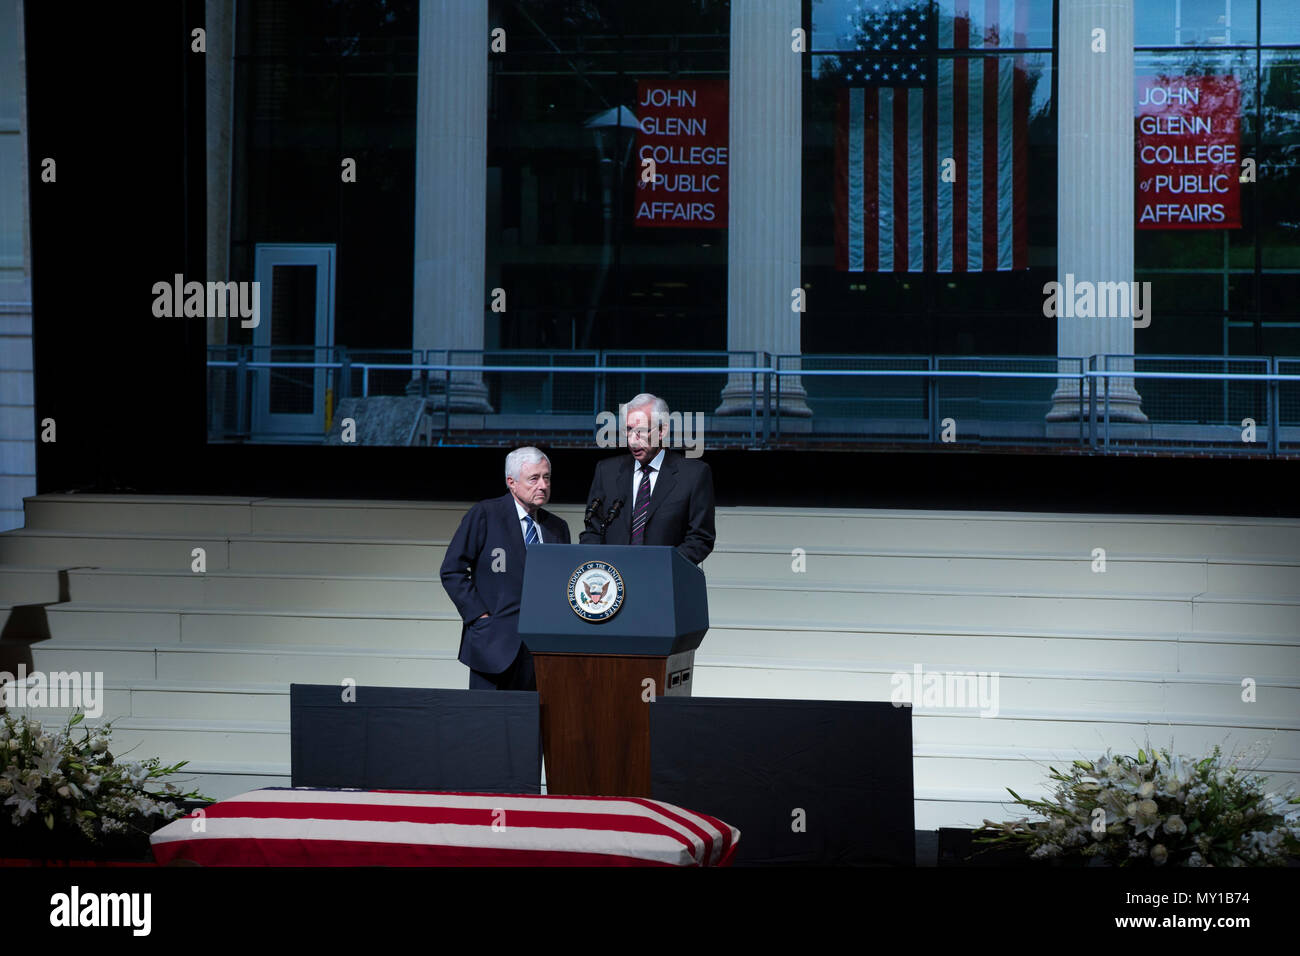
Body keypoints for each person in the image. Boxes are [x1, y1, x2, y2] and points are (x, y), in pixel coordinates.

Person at [440, 446, 571, 690]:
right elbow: (452, 571)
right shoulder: (485, 514)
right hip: (493, 647)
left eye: (547, 477)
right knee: (488, 724)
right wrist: (480, 618)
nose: (542, 485)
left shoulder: (557, 528)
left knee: (536, 725)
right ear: (511, 482)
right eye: (534, 478)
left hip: (541, 652)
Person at [580, 393, 715, 565]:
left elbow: (700, 538)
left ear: (662, 430)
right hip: (614, 580)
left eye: (640, 431)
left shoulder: (694, 475)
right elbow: (593, 531)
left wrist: (662, 567)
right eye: (628, 430)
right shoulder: (607, 471)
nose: (632, 441)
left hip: (665, 580)